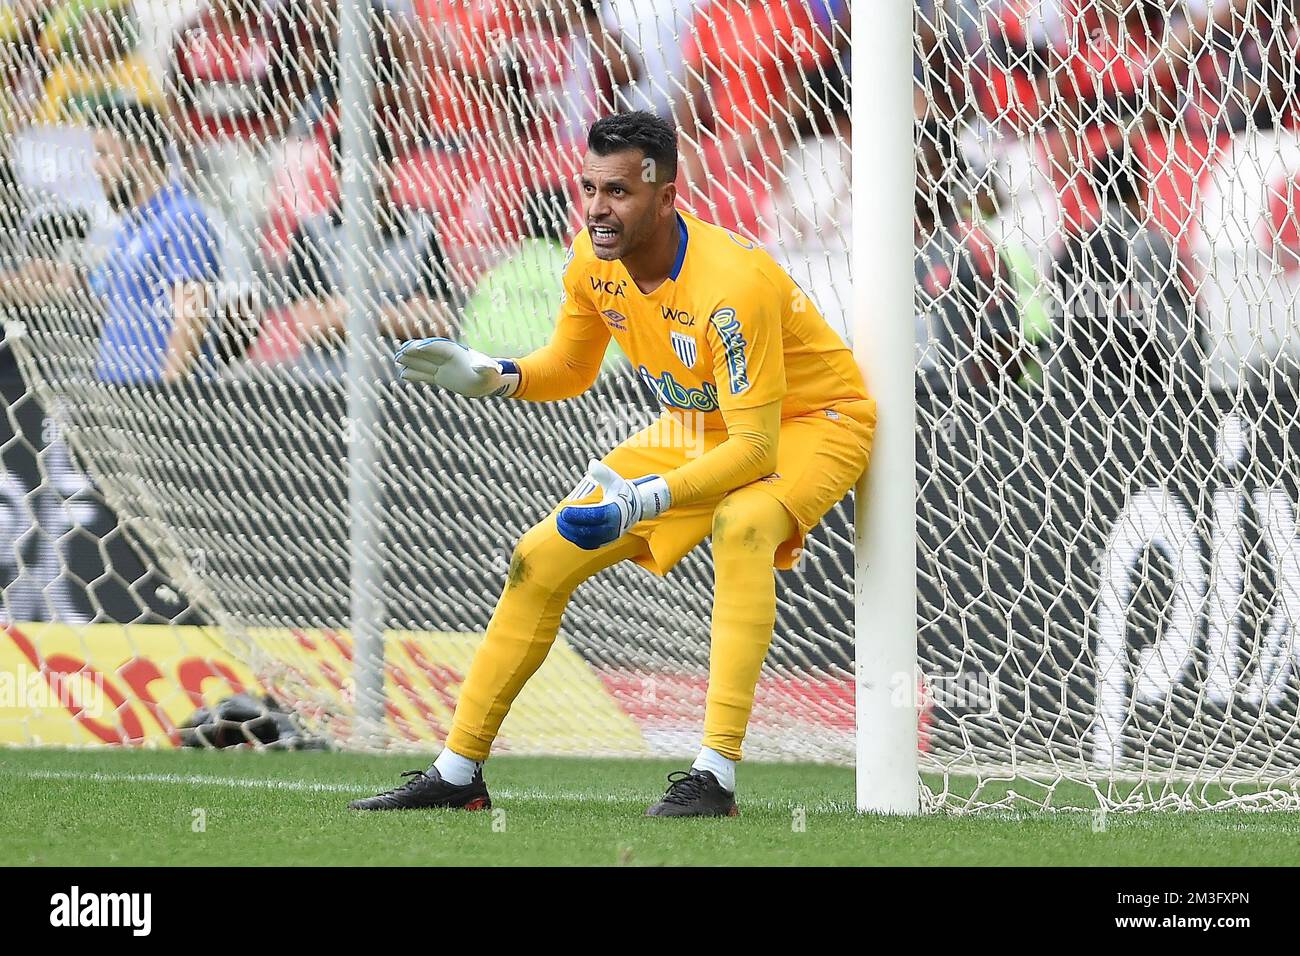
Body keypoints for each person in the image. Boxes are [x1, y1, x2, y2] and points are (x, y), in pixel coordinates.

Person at [359, 111, 875, 817]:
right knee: (538, 556)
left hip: (813, 421)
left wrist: (643, 499)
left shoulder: (732, 287)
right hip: (702, 426)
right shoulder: (590, 261)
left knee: (744, 523)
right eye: (590, 188)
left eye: (620, 192)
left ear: (666, 196)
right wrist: (496, 375)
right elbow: (570, 368)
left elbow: (755, 450)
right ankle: (456, 773)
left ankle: (714, 776)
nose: (599, 208)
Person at [83, 99, 237, 384]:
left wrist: (167, 393)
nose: (95, 166)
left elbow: (191, 317)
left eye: (103, 154)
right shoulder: (131, 227)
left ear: (140, 155)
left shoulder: (182, 218)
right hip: (119, 402)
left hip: (154, 411)